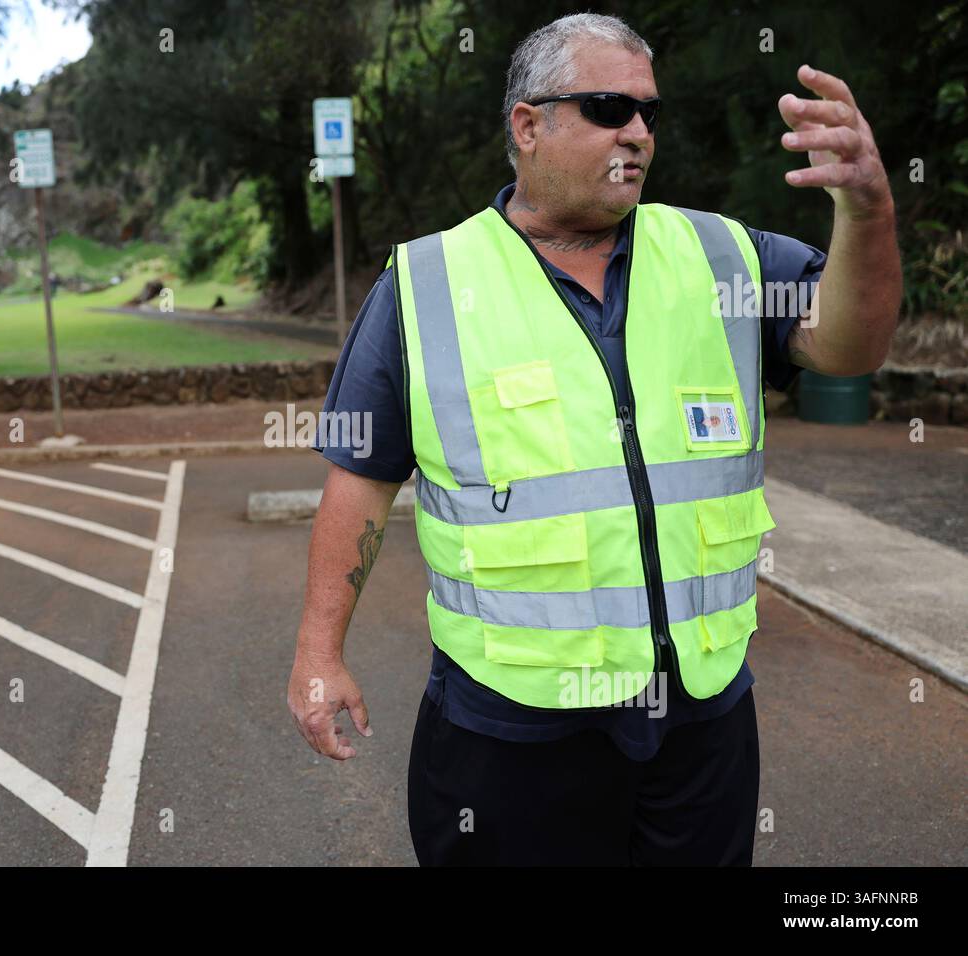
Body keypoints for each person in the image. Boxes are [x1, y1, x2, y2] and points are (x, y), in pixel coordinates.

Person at [287, 12, 899, 866]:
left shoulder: (722, 257)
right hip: (510, 732)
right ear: (527, 126)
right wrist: (320, 652)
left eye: (649, 112)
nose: (639, 132)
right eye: (610, 107)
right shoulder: (429, 285)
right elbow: (360, 479)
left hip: (700, 724)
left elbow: (851, 347)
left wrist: (866, 211)